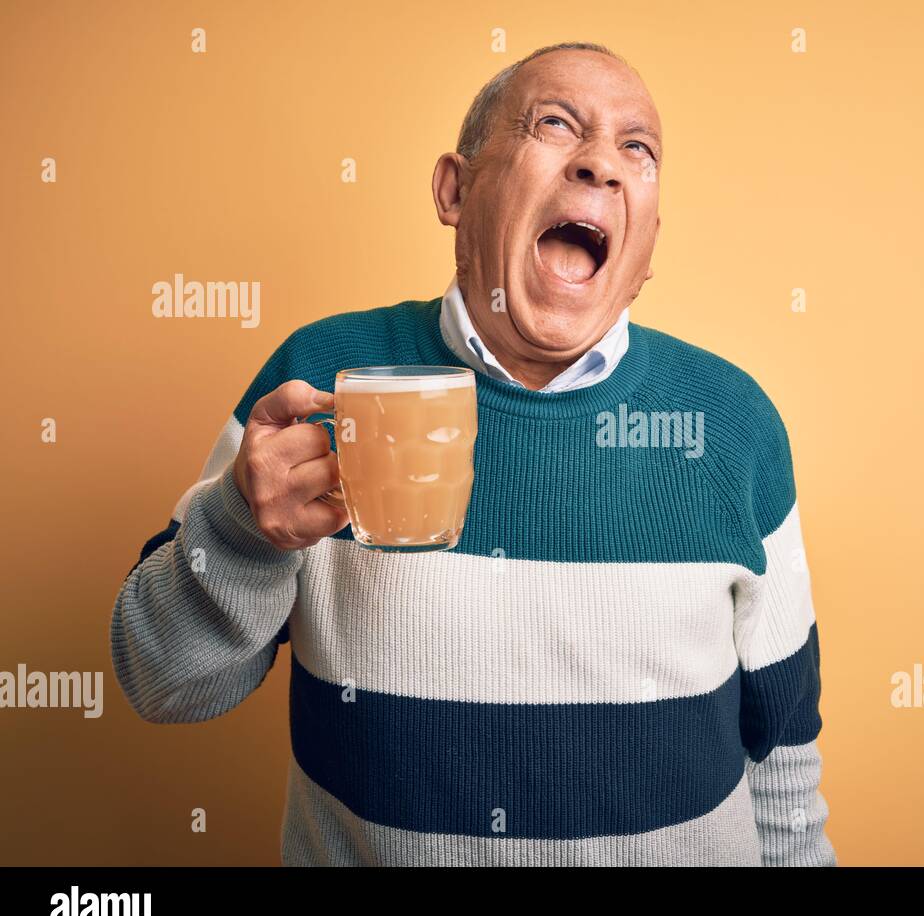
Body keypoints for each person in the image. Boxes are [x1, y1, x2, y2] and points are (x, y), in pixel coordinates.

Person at [111, 41, 834, 866]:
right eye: (556, 125)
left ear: (648, 240)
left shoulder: (732, 422)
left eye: (636, 149)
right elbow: (160, 682)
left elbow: (781, 758)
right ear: (456, 189)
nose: (601, 161)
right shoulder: (316, 385)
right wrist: (241, 533)